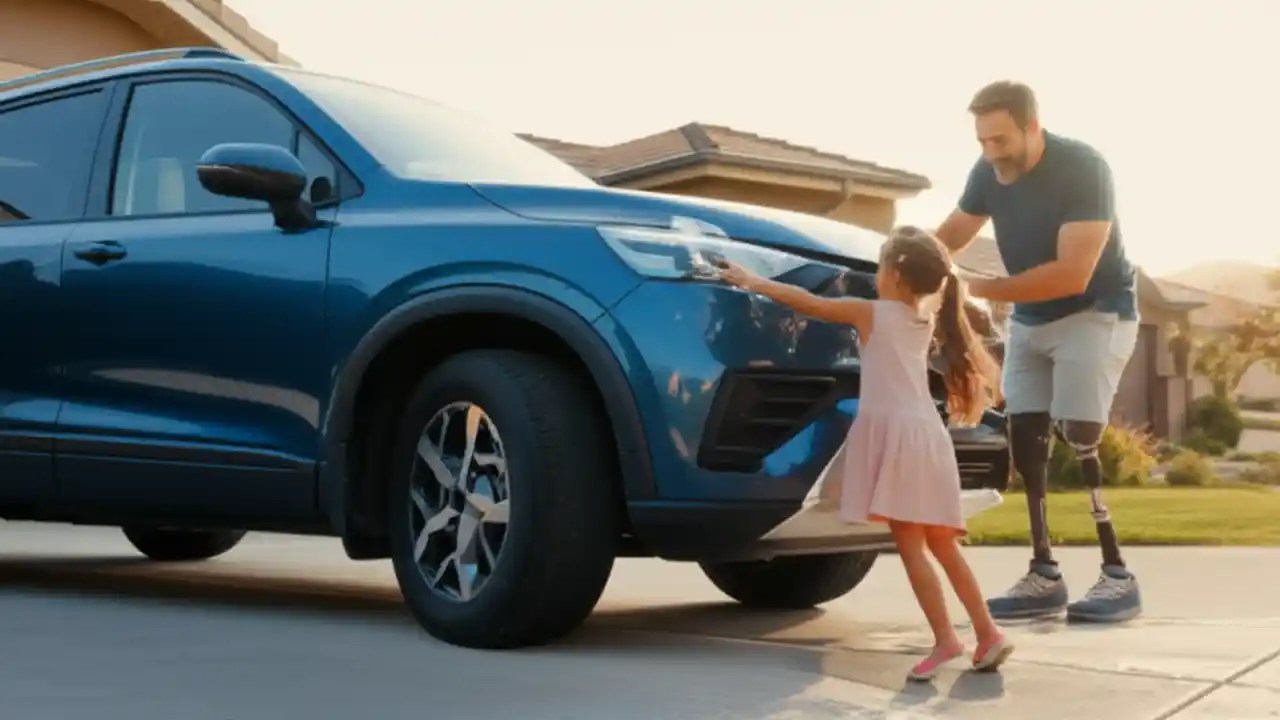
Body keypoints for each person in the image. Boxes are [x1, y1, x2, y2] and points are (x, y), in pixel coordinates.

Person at [715, 226, 1012, 681]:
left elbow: (809, 303)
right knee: (943, 546)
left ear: (893, 273)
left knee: (913, 546)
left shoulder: (871, 313)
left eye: (879, 265)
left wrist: (752, 280)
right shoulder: (924, 318)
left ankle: (946, 640)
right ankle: (988, 633)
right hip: (927, 436)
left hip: (900, 440)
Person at [933, 80, 1142, 623]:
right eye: (982, 141)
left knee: (1081, 435)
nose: (990, 152)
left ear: (1031, 127)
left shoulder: (1083, 167)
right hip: (1031, 320)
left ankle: (1118, 575)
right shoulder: (988, 171)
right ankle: (1044, 574)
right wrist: (909, 263)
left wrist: (973, 289)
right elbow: (948, 236)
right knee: (1025, 437)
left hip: (1094, 313)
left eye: (1000, 139)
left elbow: (1073, 273)